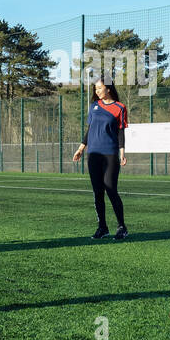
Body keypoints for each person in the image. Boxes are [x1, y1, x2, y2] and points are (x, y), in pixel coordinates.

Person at [72, 77, 128, 240]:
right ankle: (102, 227)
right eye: (95, 88)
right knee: (98, 193)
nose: (97, 91)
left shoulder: (120, 108)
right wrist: (81, 148)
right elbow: (90, 129)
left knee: (111, 190)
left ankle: (122, 227)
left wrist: (122, 153)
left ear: (108, 88)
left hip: (110, 154)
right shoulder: (94, 107)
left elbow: (121, 133)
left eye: (99, 88)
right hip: (93, 154)